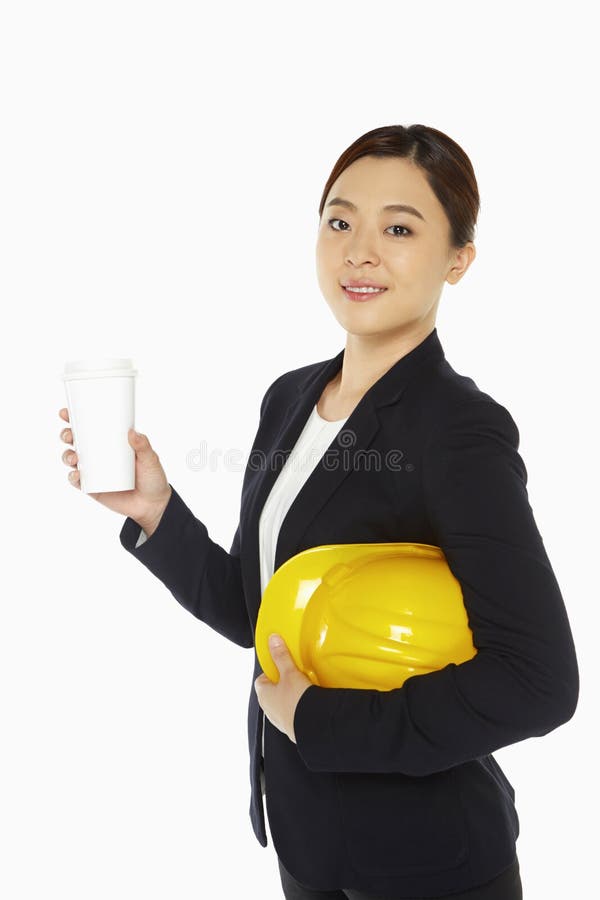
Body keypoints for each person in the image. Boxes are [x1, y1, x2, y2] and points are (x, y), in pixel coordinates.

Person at [58, 123, 579, 899]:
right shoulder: (292, 397)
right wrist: (157, 511)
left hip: (428, 861)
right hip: (307, 840)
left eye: (398, 229)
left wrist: (321, 725)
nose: (358, 251)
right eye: (340, 221)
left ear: (458, 259)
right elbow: (262, 615)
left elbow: (540, 681)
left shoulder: (458, 430)